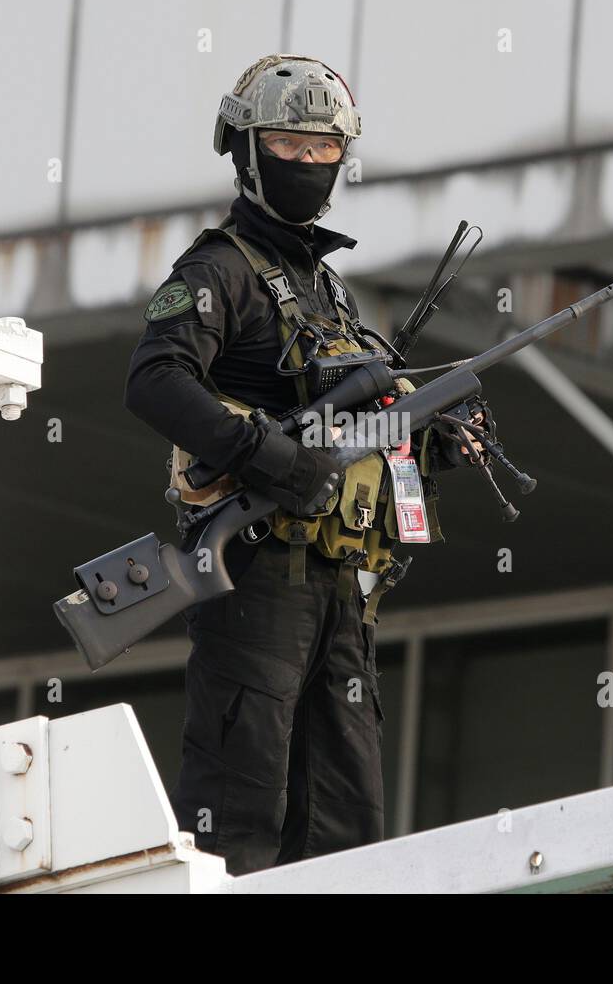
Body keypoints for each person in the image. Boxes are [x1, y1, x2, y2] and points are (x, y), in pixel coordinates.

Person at [123, 54, 471, 875]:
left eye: (323, 149)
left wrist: (432, 442)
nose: (307, 163)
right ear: (244, 150)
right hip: (256, 574)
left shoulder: (334, 293)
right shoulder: (218, 269)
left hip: (347, 590)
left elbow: (362, 427)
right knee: (240, 808)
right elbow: (154, 381)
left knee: (349, 824)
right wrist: (269, 457)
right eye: (287, 142)